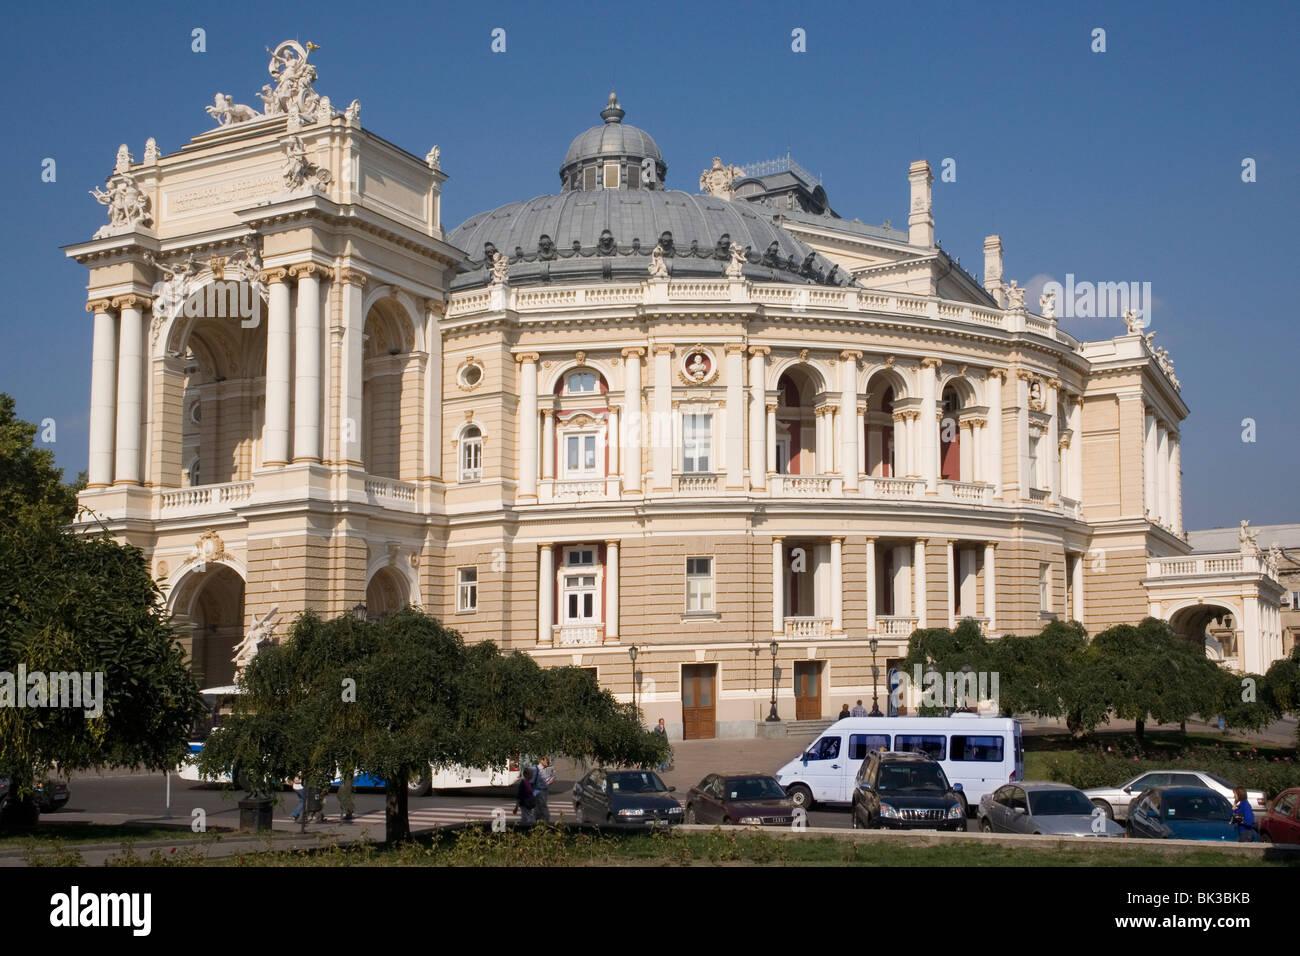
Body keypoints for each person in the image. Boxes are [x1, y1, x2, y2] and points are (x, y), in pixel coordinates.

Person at [533, 756, 555, 824]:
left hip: (538, 792)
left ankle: (538, 823)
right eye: (546, 760)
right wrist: (551, 779)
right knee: (542, 809)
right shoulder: (540, 770)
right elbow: (544, 782)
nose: (548, 762)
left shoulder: (539, 769)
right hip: (540, 792)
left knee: (538, 809)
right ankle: (543, 823)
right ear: (541, 760)